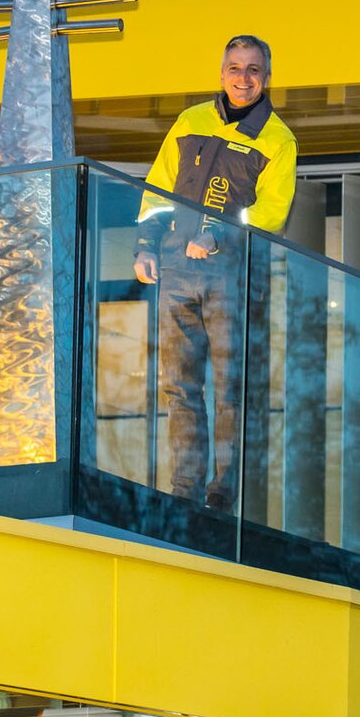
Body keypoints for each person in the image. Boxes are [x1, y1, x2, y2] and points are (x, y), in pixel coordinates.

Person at [133, 35, 297, 509]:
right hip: (176, 271)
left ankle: (224, 492)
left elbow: (271, 213)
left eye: (252, 70)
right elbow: (158, 186)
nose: (242, 78)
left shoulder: (278, 140)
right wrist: (146, 245)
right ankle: (184, 492)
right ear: (221, 73)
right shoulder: (190, 122)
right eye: (234, 68)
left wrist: (220, 236)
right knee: (180, 388)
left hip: (235, 276)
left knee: (232, 389)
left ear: (267, 78)